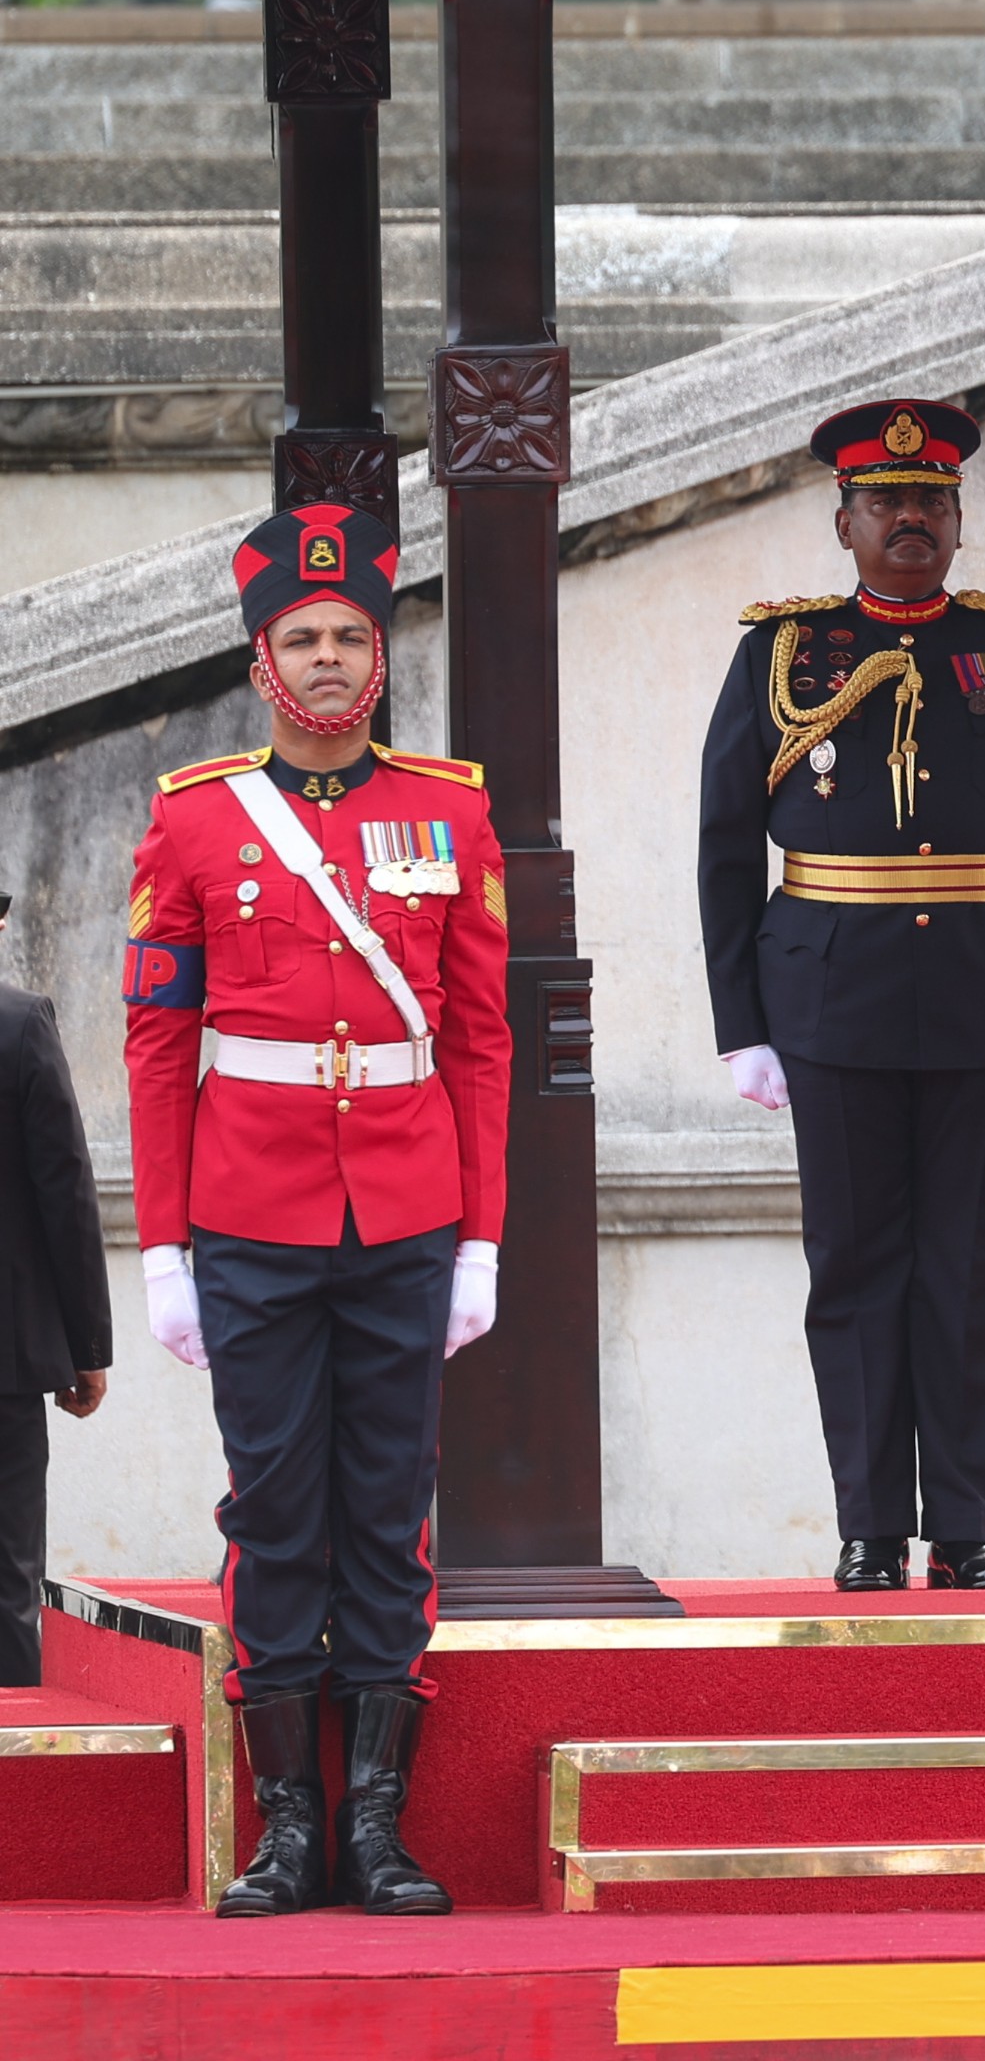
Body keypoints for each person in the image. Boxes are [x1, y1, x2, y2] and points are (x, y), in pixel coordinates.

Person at [121, 502, 509, 1917]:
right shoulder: (194, 820)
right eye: (304, 638)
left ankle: (377, 1830)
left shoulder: (450, 810)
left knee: (390, 1513)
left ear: (381, 656)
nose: (331, 657)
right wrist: (163, 1247)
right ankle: (289, 1830)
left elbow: (480, 1039)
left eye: (352, 634)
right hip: (251, 1217)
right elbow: (158, 1044)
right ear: (260, 661)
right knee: (277, 1510)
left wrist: (482, 1236)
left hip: (405, 1214)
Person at [697, 400, 985, 1596]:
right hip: (832, 1001)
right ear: (845, 522)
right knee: (856, 1269)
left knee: (971, 1272)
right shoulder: (782, 652)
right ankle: (872, 1527)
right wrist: (743, 1025)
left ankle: (971, 1526)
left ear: (959, 518)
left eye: (931, 499)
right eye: (884, 501)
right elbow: (725, 845)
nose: (910, 518)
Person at [0, 889, 106, 1691]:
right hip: (5, 1359)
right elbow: (64, 1189)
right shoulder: (19, 1024)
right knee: (8, 1581)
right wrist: (87, 1346)